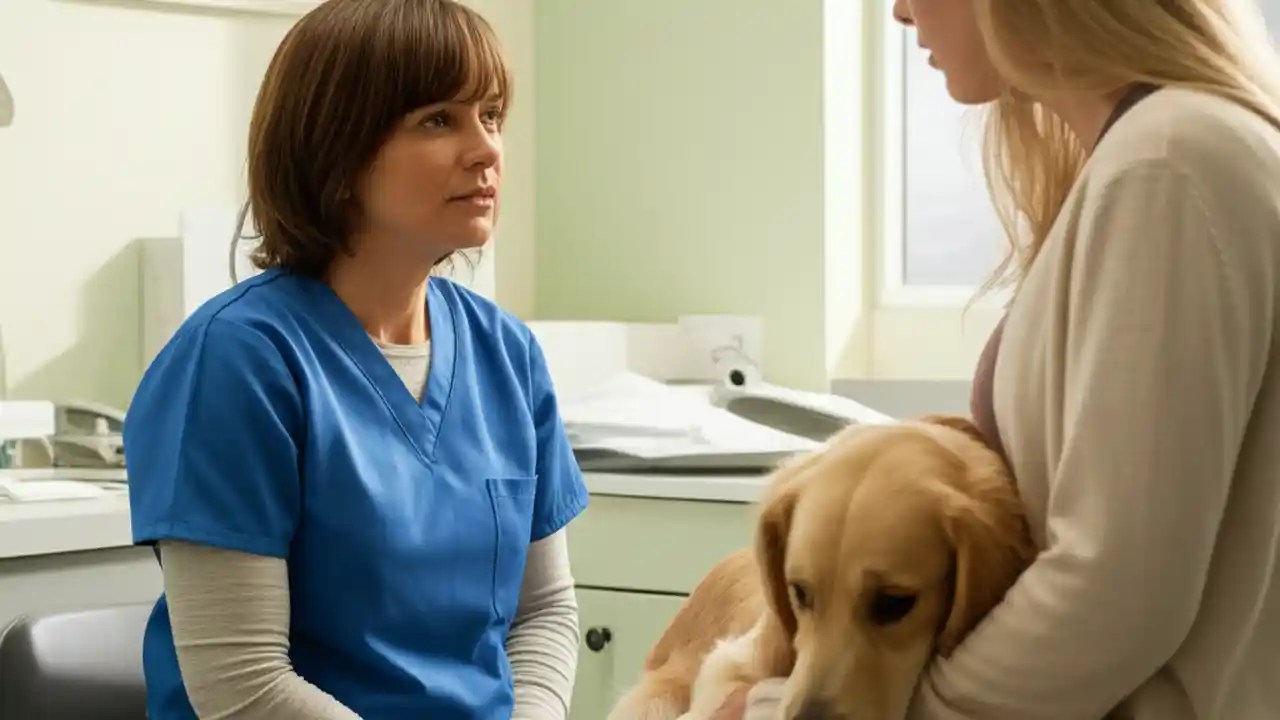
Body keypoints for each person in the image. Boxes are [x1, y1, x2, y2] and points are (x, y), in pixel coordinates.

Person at [721, 1, 1280, 718]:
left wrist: (769, 711)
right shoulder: (1163, 153)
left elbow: (1116, 590)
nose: (898, 11)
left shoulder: (1167, 163)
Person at [122, 1, 589, 718]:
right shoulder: (239, 360)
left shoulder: (507, 353)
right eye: (439, 119)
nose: (487, 148)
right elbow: (243, 684)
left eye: (491, 115)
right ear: (337, 151)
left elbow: (545, 613)